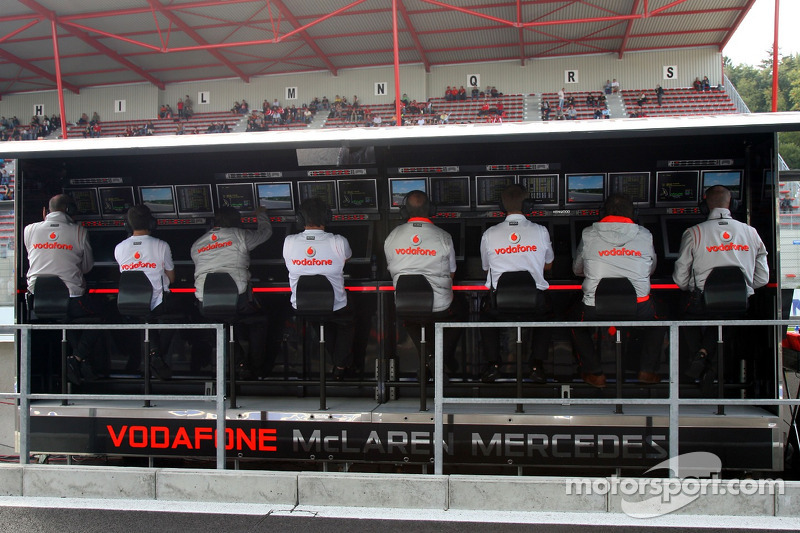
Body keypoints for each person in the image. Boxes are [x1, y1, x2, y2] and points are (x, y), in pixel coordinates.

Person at [672, 185, 768, 381]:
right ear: (732, 204)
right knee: (726, 319)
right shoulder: (751, 233)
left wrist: (691, 287)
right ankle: (710, 364)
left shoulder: (694, 233)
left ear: (704, 206)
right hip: (739, 304)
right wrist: (740, 290)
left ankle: (699, 358)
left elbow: (680, 278)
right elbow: (762, 278)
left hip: (701, 305)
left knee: (683, 313)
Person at [572, 195, 664, 387]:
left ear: (602, 213)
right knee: (661, 320)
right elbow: (651, 268)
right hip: (639, 307)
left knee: (572, 323)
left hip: (595, 307)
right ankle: (646, 370)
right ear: (634, 213)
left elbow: (577, 270)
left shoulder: (588, 234)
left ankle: (595, 373)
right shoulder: (645, 234)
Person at [384, 190, 467, 377]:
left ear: (404, 211)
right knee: (461, 308)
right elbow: (451, 273)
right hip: (439, 306)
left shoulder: (392, 236)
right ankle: (442, 358)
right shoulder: (444, 237)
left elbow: (391, 270)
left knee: (412, 318)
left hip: (406, 304)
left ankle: (430, 358)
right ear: (431, 209)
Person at [479, 185, 554, 383]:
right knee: (548, 314)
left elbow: (487, 267)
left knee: (484, 316)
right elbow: (549, 265)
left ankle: (493, 364)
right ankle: (537, 365)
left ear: (501, 206)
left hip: (499, 306)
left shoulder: (489, 234)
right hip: (534, 305)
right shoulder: (541, 231)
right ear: (528, 205)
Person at [24, 194, 99, 383]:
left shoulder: (29, 230)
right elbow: (87, 267)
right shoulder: (79, 231)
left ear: (45, 212)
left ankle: (79, 363)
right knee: (102, 314)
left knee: (67, 319)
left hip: (38, 302)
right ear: (70, 211)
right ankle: (77, 359)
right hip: (72, 301)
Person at [191, 205, 272, 379]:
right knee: (260, 321)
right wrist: (262, 215)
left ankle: (239, 362)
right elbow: (265, 233)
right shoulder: (240, 235)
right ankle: (256, 368)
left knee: (219, 326)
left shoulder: (197, 244)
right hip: (239, 301)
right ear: (237, 222)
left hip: (206, 303)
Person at [283, 198, 355, 380]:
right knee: (347, 322)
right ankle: (341, 365)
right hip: (336, 307)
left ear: (299, 219)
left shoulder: (289, 242)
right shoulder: (339, 242)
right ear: (328, 217)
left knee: (319, 319)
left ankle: (338, 364)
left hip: (303, 307)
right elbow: (345, 260)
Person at [114, 205, 175, 376]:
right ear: (152, 223)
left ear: (128, 225)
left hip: (130, 302)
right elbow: (171, 279)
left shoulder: (119, 248)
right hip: (158, 304)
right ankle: (156, 357)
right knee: (178, 313)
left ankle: (152, 357)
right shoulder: (162, 245)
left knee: (145, 318)